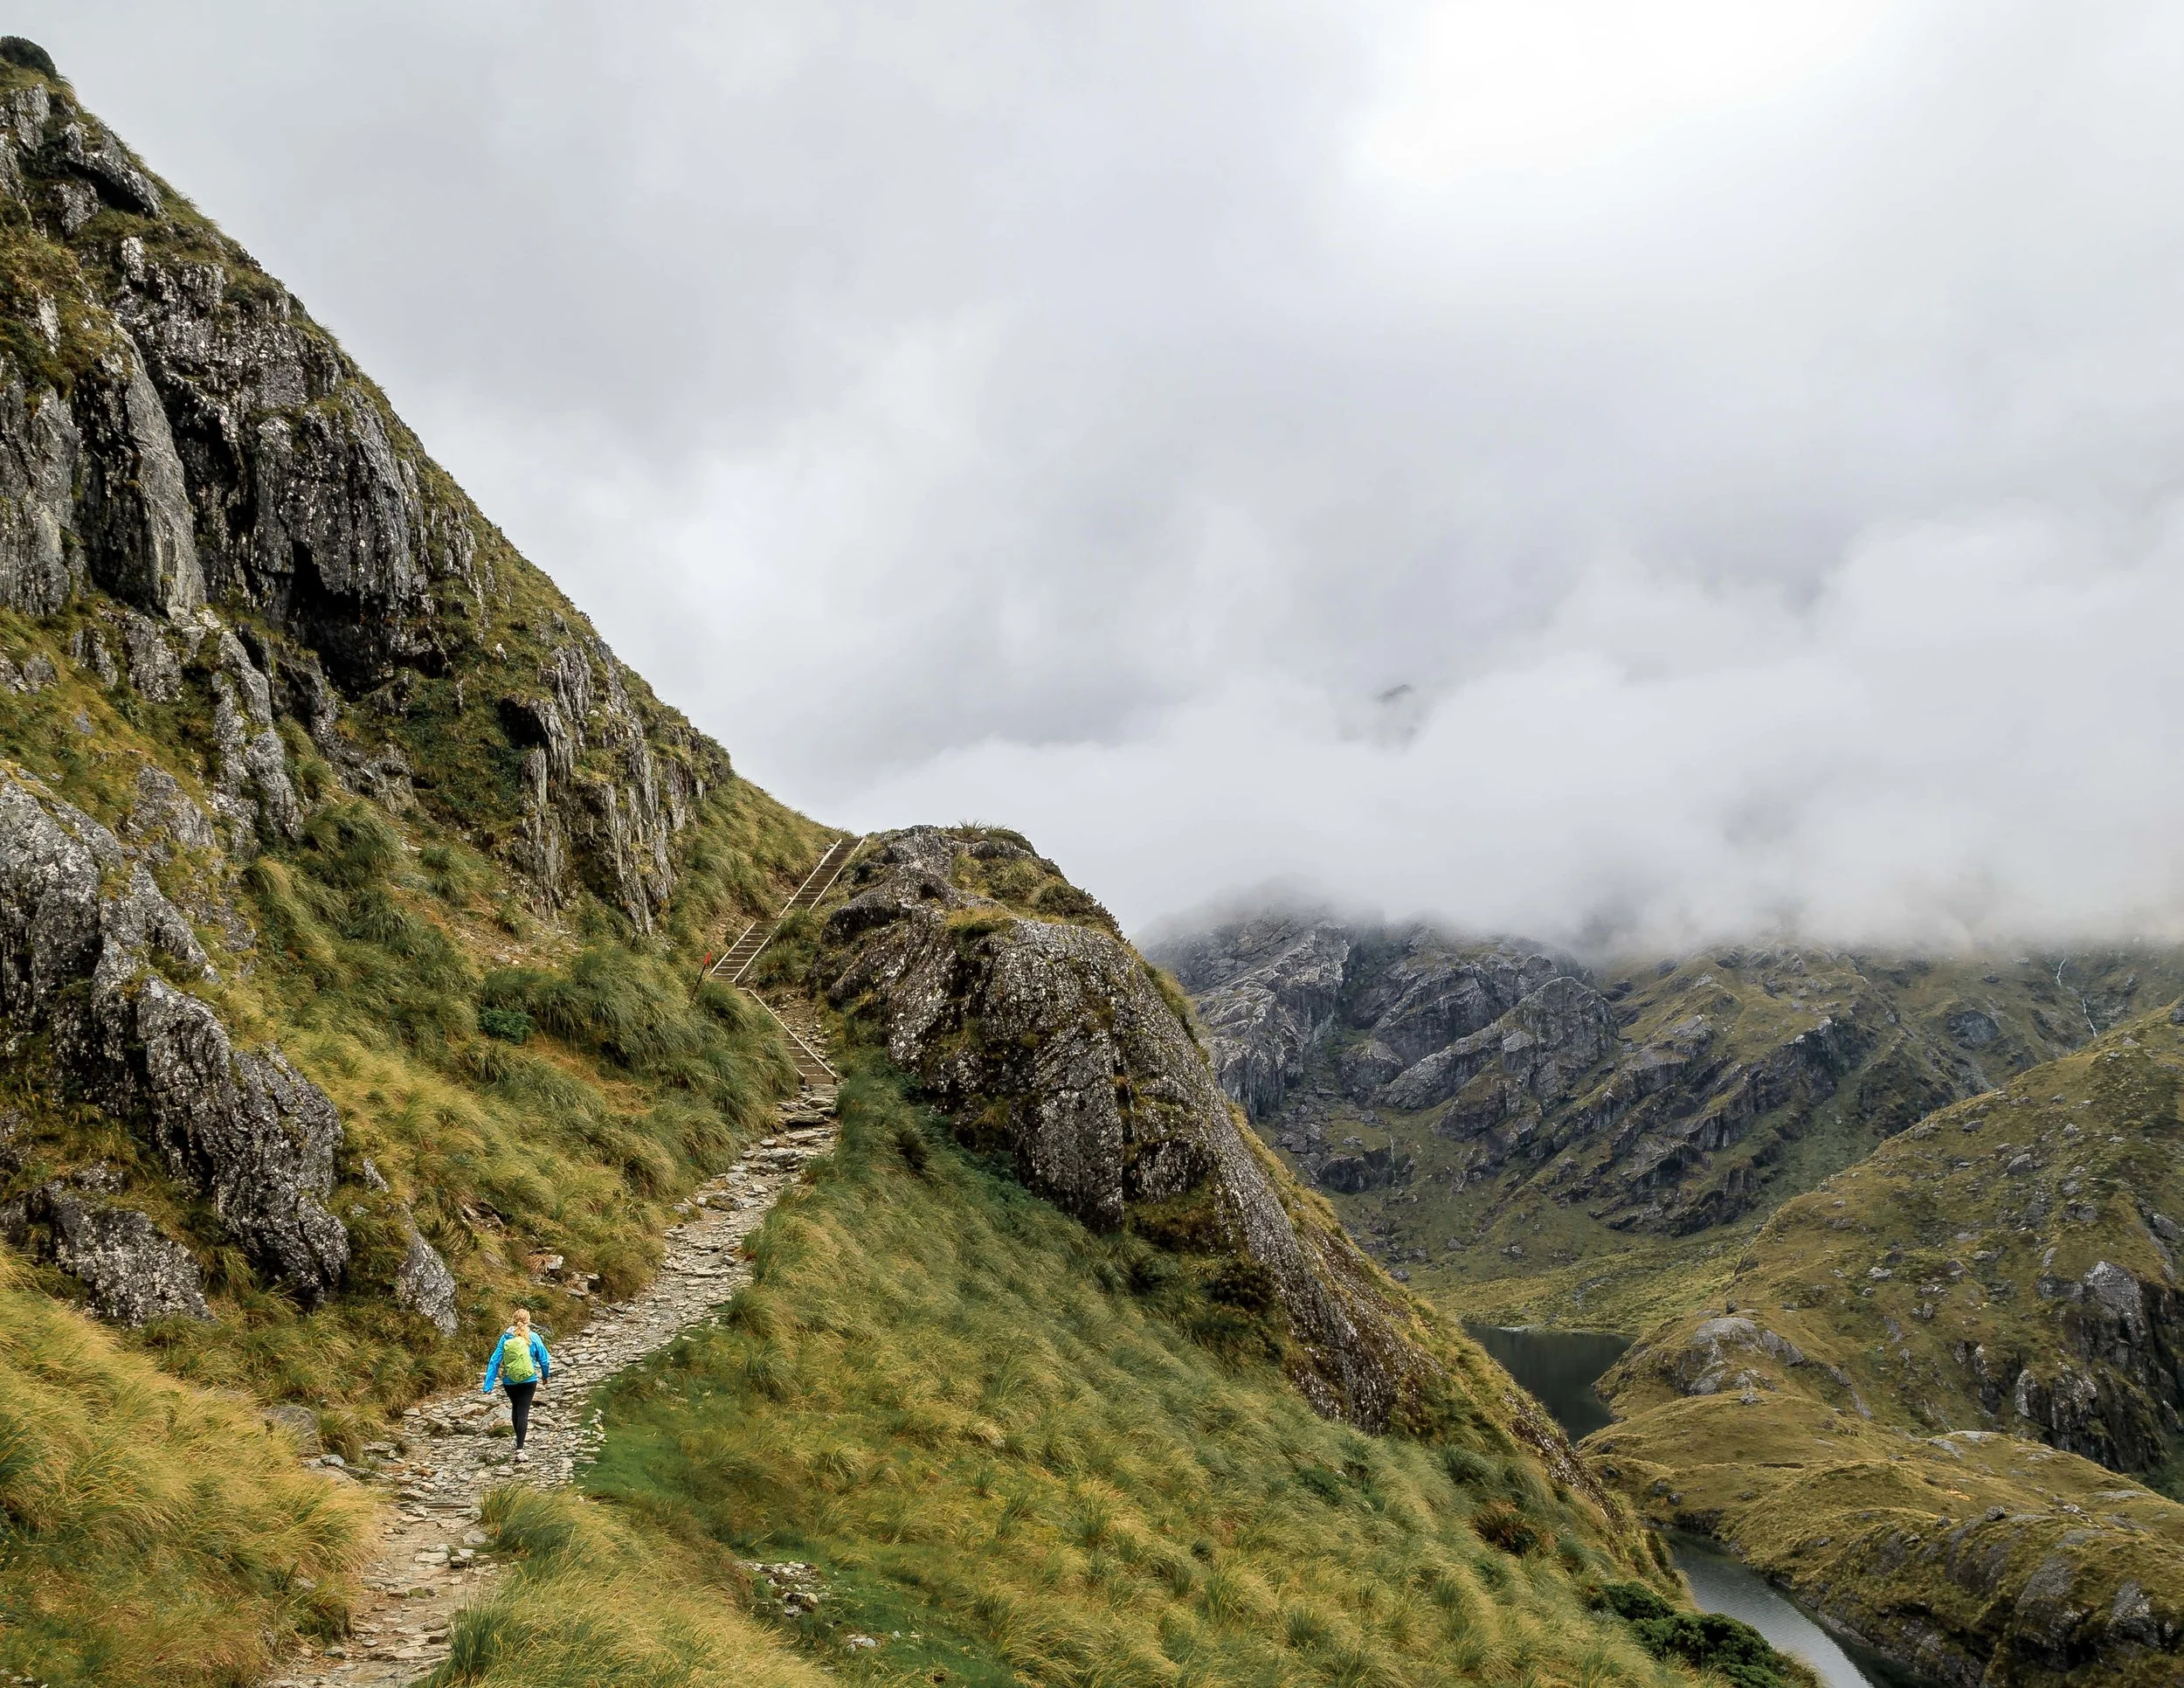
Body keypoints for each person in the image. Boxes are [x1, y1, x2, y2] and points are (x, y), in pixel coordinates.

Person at [480, 1306, 551, 1461]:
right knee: (524, 1411)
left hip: (509, 1381)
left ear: (514, 1320)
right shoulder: (533, 1337)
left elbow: (495, 1361)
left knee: (516, 1408)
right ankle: (520, 1450)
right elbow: (544, 1360)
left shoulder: (506, 1337)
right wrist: (545, 1376)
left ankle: (518, 1440)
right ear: (528, 1320)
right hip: (528, 1380)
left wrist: (488, 1385)